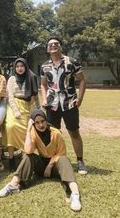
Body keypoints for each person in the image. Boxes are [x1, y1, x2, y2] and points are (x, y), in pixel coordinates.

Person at [0, 109, 82, 212]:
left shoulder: (56, 133)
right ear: (33, 123)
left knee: (64, 159)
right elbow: (28, 150)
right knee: (28, 156)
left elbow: (61, 153)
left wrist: (50, 166)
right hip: (41, 165)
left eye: (42, 121)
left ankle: (75, 194)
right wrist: (28, 130)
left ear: (46, 120)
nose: (41, 125)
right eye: (37, 122)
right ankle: (12, 185)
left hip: (56, 166)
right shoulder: (32, 132)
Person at [40, 37, 87, 175]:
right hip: (52, 104)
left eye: (56, 44)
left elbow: (82, 80)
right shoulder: (44, 66)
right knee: (53, 133)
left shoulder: (71, 62)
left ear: (60, 47)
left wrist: (80, 98)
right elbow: (43, 84)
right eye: (51, 44)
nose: (53, 46)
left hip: (69, 103)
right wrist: (44, 98)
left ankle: (80, 161)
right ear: (48, 49)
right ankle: (54, 161)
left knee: (74, 132)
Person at [5, 57, 40, 171]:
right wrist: (15, 110)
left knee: (27, 133)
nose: (20, 68)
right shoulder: (11, 79)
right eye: (17, 66)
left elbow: (35, 96)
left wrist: (39, 109)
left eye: (22, 66)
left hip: (26, 107)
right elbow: (9, 96)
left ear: (26, 67)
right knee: (10, 127)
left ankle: (26, 158)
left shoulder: (31, 78)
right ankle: (11, 158)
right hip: (13, 106)